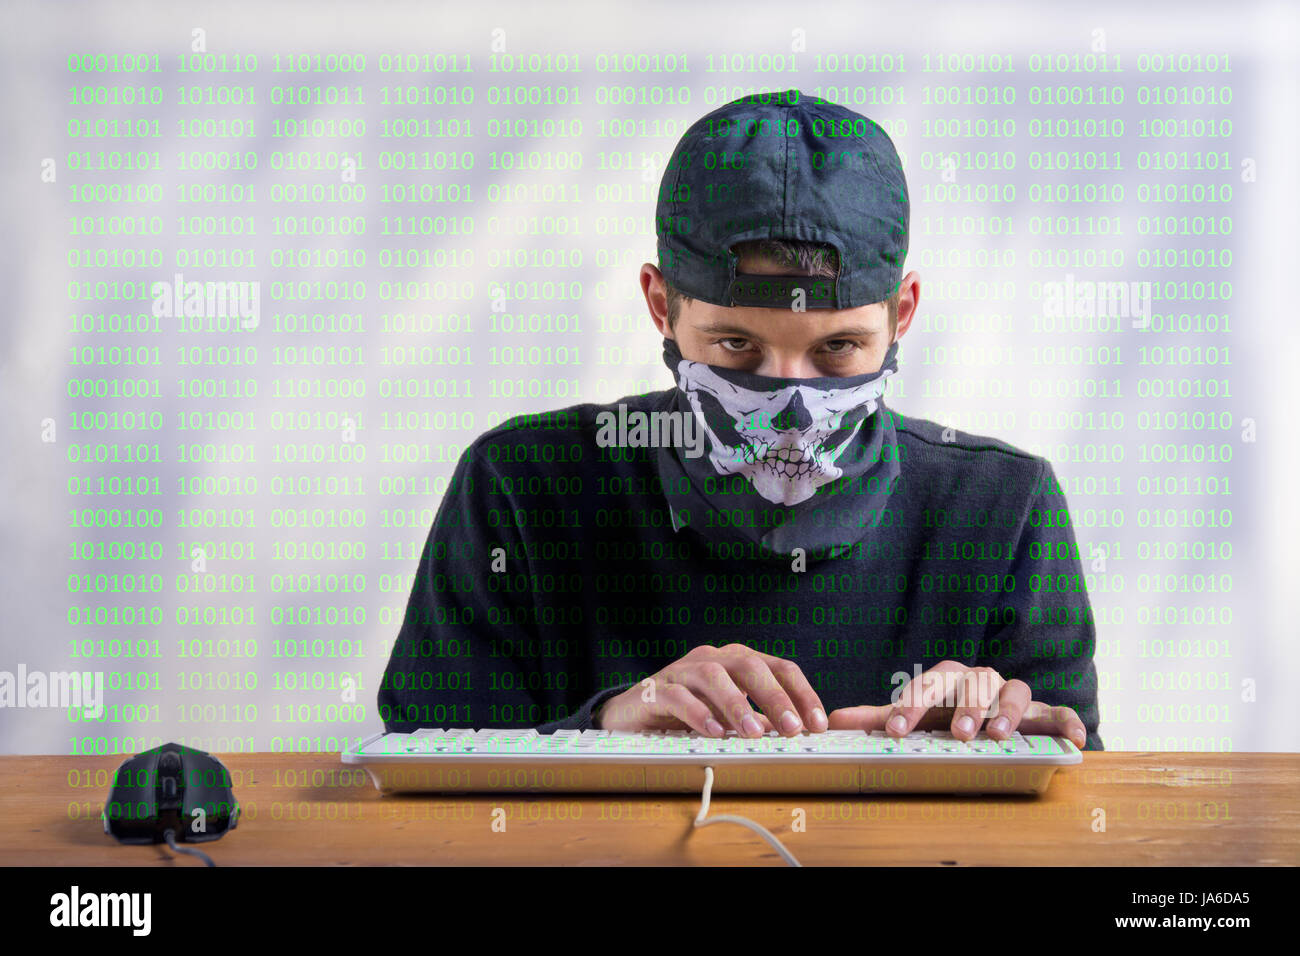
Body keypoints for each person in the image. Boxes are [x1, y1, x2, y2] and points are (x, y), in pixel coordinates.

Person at [378, 89, 1103, 751]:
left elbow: (1085, 815)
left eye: (838, 348)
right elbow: (422, 783)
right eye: (736, 346)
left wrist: (1008, 743)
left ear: (901, 315)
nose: (790, 409)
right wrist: (605, 726)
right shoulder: (522, 491)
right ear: (662, 307)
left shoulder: (1002, 513)